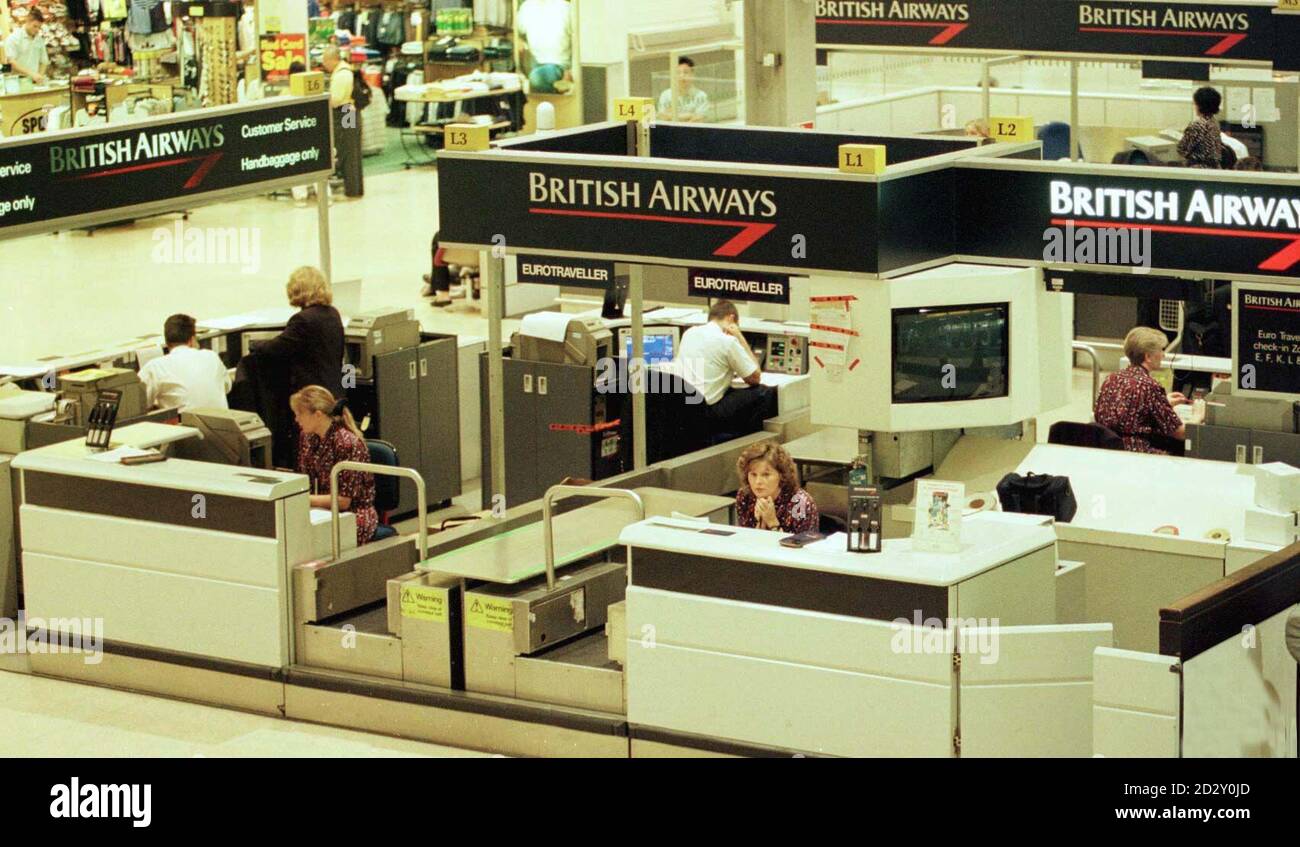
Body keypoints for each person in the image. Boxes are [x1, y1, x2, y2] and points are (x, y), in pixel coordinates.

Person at [249, 266, 346, 466]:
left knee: (309, 451)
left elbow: (277, 347)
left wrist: (254, 344)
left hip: (312, 397)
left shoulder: (302, 319)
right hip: (334, 390)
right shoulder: (332, 314)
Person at [290, 385, 378, 545]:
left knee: (309, 541)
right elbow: (305, 479)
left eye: (299, 414)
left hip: (354, 514)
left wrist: (305, 500)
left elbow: (343, 501)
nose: (296, 419)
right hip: (320, 509)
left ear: (317, 415)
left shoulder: (347, 443)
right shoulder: (307, 438)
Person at [1094, 326, 1200, 454]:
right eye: (1161, 350)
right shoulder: (1150, 386)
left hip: (1107, 449)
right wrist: (1198, 415)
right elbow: (1181, 433)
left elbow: (1124, 412)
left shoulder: (1111, 378)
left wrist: (1163, 403)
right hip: (1138, 454)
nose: (1163, 355)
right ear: (1148, 356)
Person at [676, 300, 775, 436]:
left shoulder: (689, 333)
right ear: (731, 318)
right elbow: (755, 378)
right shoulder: (727, 341)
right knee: (765, 392)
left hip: (684, 407)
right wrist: (739, 336)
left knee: (731, 390)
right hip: (708, 410)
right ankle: (746, 441)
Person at [139, 314, 231, 412]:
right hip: (223, 424)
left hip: (187, 425)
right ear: (191, 340)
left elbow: (137, 404)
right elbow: (226, 387)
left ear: (166, 342)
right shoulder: (212, 356)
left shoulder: (155, 366)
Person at [734, 442, 819, 534]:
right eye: (753, 475)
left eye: (766, 475)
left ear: (782, 475)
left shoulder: (800, 503)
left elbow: (802, 546)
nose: (758, 482)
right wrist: (759, 524)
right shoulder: (745, 495)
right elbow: (745, 539)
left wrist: (773, 523)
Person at [321, 45, 363, 198]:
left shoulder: (342, 74)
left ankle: (352, 188)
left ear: (332, 59)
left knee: (348, 148)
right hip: (349, 110)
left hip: (345, 112)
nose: (324, 64)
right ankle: (355, 187)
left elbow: (337, 99)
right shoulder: (345, 70)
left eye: (325, 60)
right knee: (351, 149)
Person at [515, 0, 573, 94]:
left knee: (537, 78)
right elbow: (514, 33)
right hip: (532, 64)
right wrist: (518, 40)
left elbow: (577, 44)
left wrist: (569, 71)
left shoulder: (566, 7)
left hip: (559, 65)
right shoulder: (527, 7)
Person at [1177, 86, 1225, 169]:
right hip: (1215, 168)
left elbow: (1182, 149)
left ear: (1199, 105)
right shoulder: (1214, 123)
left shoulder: (1197, 125)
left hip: (1199, 169)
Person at [657, 56, 710, 123]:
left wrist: (672, 115)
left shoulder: (701, 95)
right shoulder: (666, 95)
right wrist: (690, 115)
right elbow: (662, 116)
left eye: (686, 72)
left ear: (692, 74)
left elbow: (699, 118)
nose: (682, 76)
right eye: (678, 72)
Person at [5, 8, 49, 85]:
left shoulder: (39, 40)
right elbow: (12, 61)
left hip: (35, 81)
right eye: (35, 26)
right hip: (18, 81)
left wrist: (39, 76)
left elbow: (44, 61)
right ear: (27, 22)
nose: (37, 30)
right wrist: (31, 74)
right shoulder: (14, 38)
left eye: (39, 27)